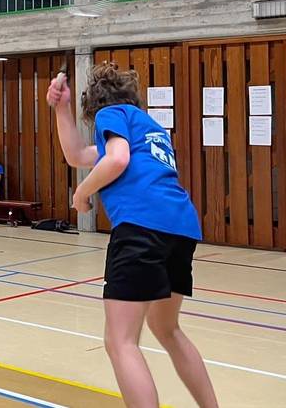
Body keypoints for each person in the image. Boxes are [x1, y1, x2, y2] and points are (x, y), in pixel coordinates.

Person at [47, 63, 217, 408]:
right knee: (166, 329)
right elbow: (78, 156)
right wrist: (60, 109)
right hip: (180, 228)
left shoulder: (111, 114)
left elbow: (117, 160)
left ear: (93, 106)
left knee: (120, 341)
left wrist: (81, 194)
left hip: (142, 226)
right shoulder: (148, 126)